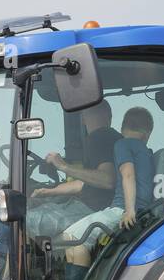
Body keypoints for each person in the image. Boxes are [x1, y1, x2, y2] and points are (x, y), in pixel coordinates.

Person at [61, 106, 155, 280]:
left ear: (122, 128)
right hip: (141, 208)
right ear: (147, 133)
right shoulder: (146, 151)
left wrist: (129, 210)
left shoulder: (122, 144)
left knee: (71, 236)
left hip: (122, 209)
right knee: (75, 239)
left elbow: (127, 174)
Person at [26, 100, 119, 238]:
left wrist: (63, 166)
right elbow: (85, 182)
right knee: (30, 208)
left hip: (91, 210)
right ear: (110, 116)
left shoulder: (101, 136)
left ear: (83, 118)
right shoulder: (112, 139)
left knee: (22, 222)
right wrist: (49, 191)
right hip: (84, 205)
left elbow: (107, 180)